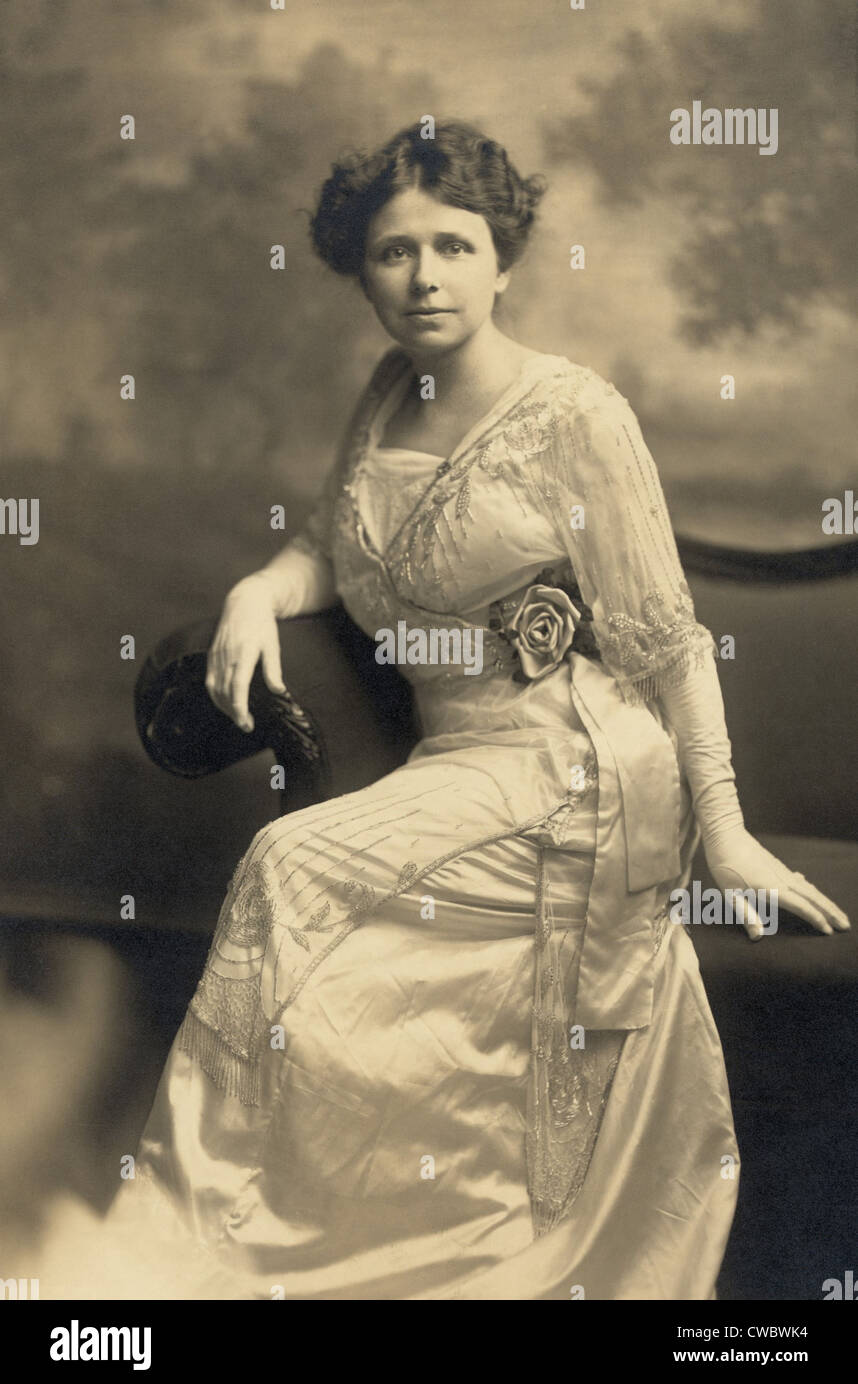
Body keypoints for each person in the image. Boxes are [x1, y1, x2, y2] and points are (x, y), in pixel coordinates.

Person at [39, 119, 850, 1301]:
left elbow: (671, 641)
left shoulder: (577, 416)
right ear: (357, 268)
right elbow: (330, 541)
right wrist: (258, 589)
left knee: (287, 861)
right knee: (335, 943)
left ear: (504, 259)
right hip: (458, 763)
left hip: (578, 764)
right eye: (393, 251)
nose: (424, 277)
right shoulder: (384, 399)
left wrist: (722, 834)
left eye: (455, 246)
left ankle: (213, 1241)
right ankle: (303, 1235)